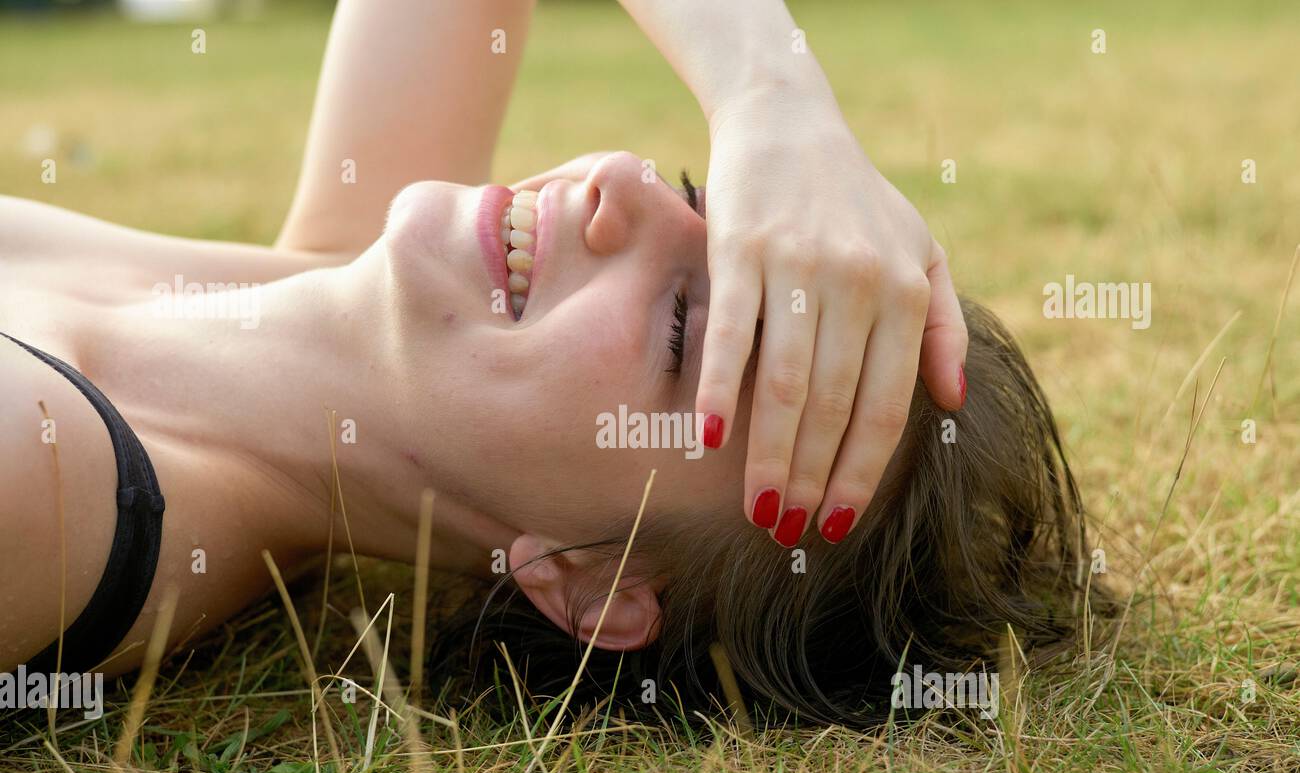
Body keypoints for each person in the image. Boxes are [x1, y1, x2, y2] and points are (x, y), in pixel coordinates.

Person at [0, 1, 1091, 727]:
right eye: (704, 197)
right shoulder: (327, 276)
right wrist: (770, 95)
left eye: (680, 327)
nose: (616, 179)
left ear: (593, 584)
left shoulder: (40, 477)